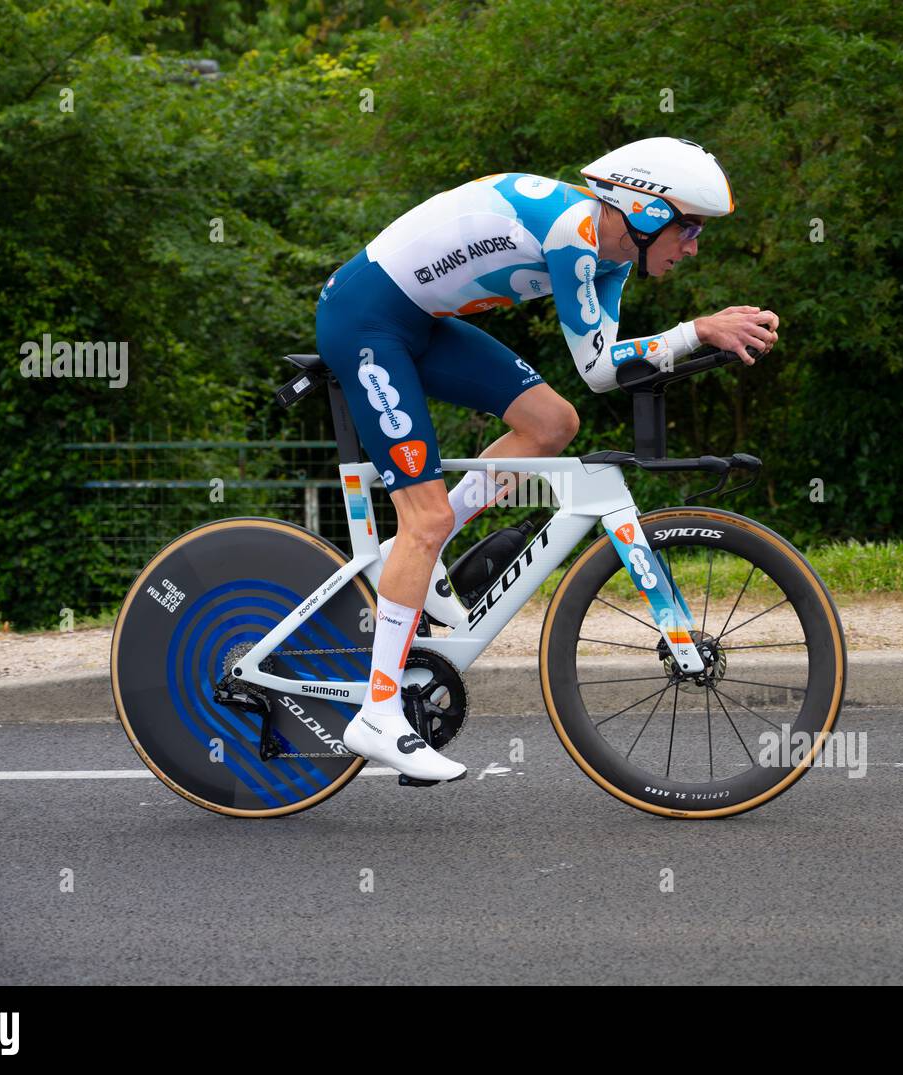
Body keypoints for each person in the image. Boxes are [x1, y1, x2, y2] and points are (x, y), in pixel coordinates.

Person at [313, 136, 778, 783]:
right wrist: (697, 330)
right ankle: (379, 711)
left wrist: (694, 343)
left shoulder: (610, 256)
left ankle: (418, 551)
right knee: (419, 520)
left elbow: (603, 368)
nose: (694, 245)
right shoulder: (574, 234)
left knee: (552, 423)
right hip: (365, 320)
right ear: (644, 212)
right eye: (690, 226)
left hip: (415, 322)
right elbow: (598, 367)